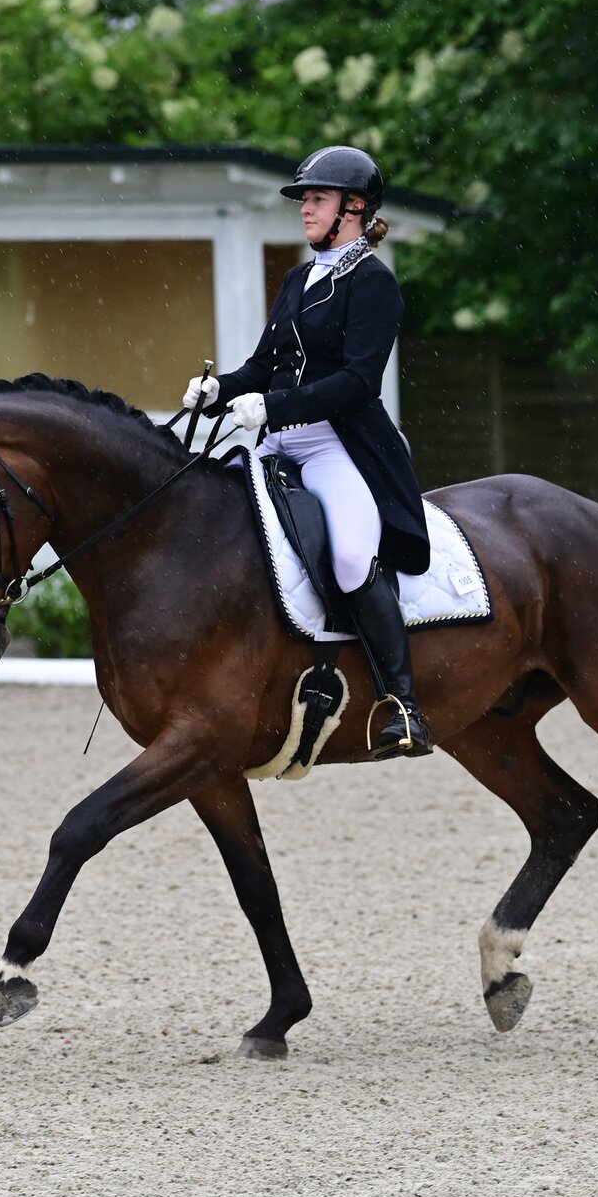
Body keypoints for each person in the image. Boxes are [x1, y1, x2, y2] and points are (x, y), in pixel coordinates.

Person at [184, 145, 433, 759]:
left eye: (317, 199)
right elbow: (265, 364)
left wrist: (273, 407)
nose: (305, 210)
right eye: (305, 200)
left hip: (334, 446)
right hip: (277, 443)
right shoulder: (301, 277)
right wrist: (221, 391)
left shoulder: (373, 283)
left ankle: (402, 703)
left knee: (351, 558)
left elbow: (356, 383)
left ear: (354, 208)